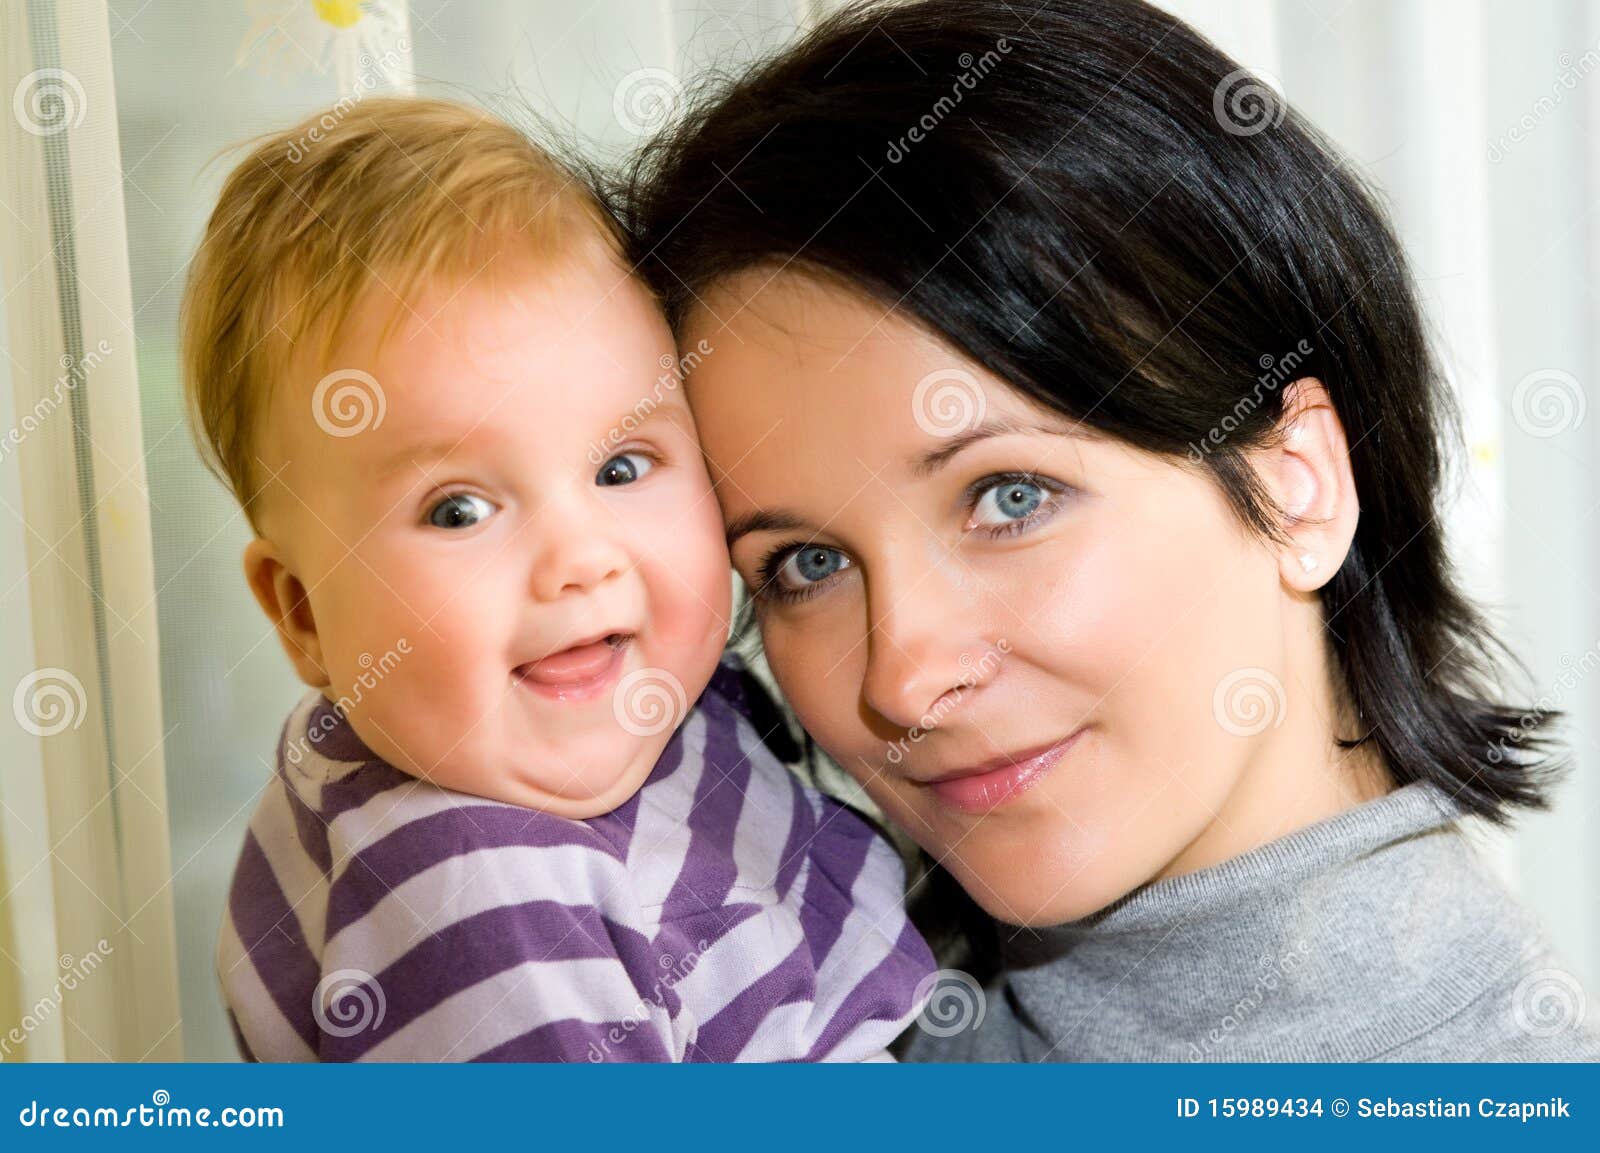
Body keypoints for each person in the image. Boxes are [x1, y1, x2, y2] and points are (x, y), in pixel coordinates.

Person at [626, 0, 1600, 1060]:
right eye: (804, 565)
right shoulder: (765, 985)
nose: (903, 681)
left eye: (1009, 497)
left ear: (1298, 484)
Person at [182, 97, 933, 1061]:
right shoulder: (479, 908)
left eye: (621, 468)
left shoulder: (591, 704)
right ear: (304, 614)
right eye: (458, 510)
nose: (580, 557)